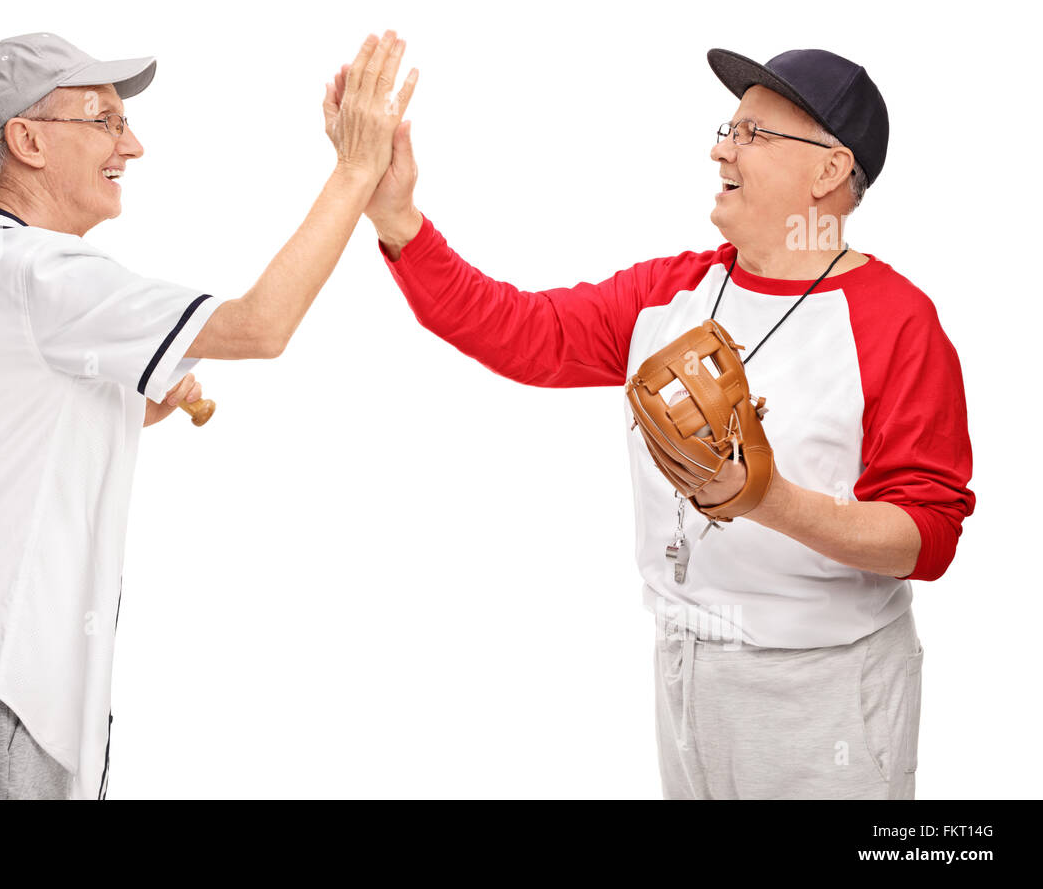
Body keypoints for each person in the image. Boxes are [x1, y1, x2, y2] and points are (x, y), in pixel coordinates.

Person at [339, 47, 975, 799]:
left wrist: (765, 499)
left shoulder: (897, 322)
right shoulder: (671, 294)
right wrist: (398, 219)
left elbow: (926, 537)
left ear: (830, 170)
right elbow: (520, 332)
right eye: (726, 128)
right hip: (685, 670)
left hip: (827, 689)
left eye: (752, 134)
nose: (720, 148)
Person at [0, 30, 416, 799]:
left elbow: (24, 423)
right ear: (27, 140)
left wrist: (137, 396)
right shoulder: (41, 270)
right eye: (106, 121)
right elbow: (261, 325)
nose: (134, 145)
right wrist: (357, 169)